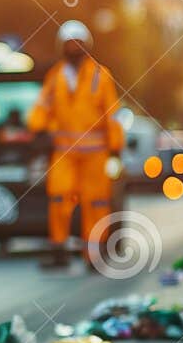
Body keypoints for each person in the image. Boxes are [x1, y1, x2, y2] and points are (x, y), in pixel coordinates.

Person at [27, 20, 123, 270]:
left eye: (78, 44)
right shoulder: (56, 76)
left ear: (87, 46)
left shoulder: (101, 76)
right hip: (64, 153)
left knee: (96, 203)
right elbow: (42, 107)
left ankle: (93, 256)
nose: (74, 48)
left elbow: (112, 114)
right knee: (59, 197)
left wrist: (115, 146)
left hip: (96, 154)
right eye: (69, 44)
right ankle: (59, 250)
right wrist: (36, 128)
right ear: (62, 47)